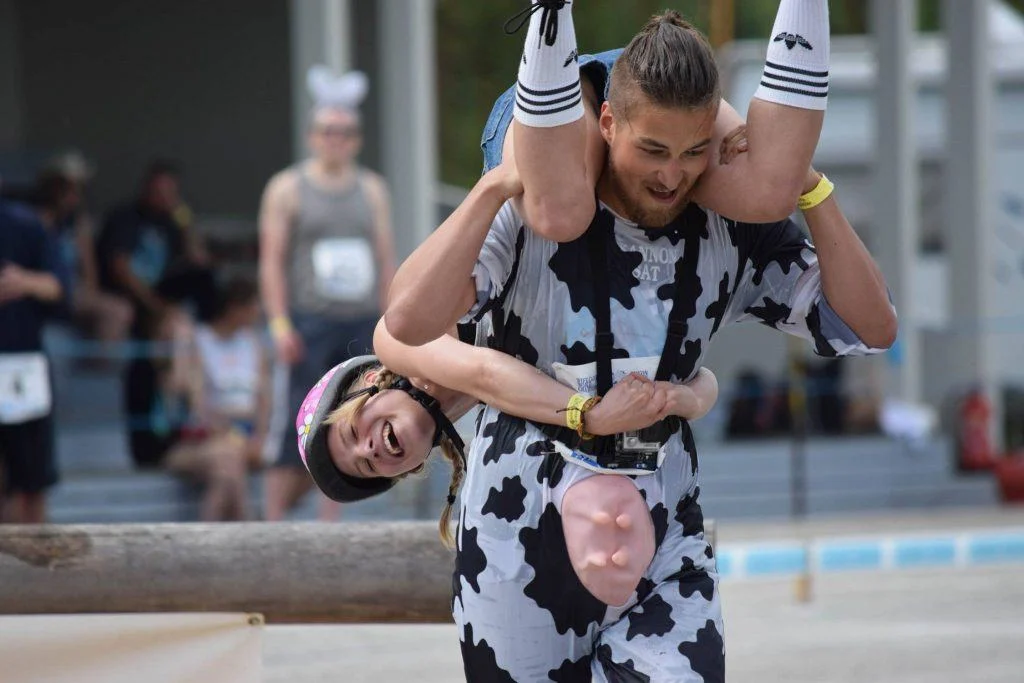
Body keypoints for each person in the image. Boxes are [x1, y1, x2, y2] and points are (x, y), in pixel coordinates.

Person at [385, 7, 897, 682]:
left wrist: (807, 186)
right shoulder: (534, 221)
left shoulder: (727, 227)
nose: (670, 176)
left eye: (692, 154)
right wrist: (496, 184)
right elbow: (409, 320)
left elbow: (869, 324)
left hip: (663, 530)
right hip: (518, 530)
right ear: (607, 126)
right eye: (652, 150)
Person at [295, 322, 719, 605]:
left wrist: (590, 416)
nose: (368, 451)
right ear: (408, 470)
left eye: (352, 433)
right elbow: (698, 377)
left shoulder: (422, 324)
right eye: (367, 468)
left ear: (370, 383)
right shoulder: (498, 433)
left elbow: (486, 372)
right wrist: (692, 399)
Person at [259, 67, 396, 522]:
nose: (336, 140)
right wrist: (279, 323)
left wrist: (391, 323)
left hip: (359, 322)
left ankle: (328, 525)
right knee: (292, 425)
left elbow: (385, 261)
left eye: (345, 133)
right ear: (313, 136)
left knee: (349, 419)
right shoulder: (287, 188)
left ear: (355, 138)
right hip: (308, 322)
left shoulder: (372, 190)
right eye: (327, 132)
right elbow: (272, 262)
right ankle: (273, 524)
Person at [97, 161, 219, 467]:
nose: (165, 198)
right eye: (159, 191)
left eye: (171, 193)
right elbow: (120, 268)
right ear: (146, 189)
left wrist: (183, 217)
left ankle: (208, 332)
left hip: (163, 310)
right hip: (133, 303)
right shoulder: (125, 218)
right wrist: (154, 306)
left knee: (201, 280)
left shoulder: (172, 221)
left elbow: (197, 259)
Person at [159, 276, 270, 521]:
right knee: (229, 465)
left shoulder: (253, 344)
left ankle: (207, 549)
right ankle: (249, 534)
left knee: (230, 462)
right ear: (234, 307)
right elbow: (187, 393)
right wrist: (181, 343)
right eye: (252, 306)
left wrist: (260, 436)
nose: (258, 312)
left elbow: (264, 399)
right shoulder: (197, 341)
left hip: (246, 436)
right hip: (203, 440)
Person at [0, 197, 70, 523]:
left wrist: (23, 282)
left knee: (32, 481)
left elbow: (58, 287)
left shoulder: (25, 225)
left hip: (22, 369)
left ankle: (35, 570)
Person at [34, 163, 133, 360]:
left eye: (77, 189)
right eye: (66, 189)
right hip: (45, 291)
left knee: (119, 311)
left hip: (75, 294)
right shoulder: (35, 220)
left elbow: (89, 271)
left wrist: (91, 297)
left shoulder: (79, 224)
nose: (72, 196)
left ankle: (97, 377)